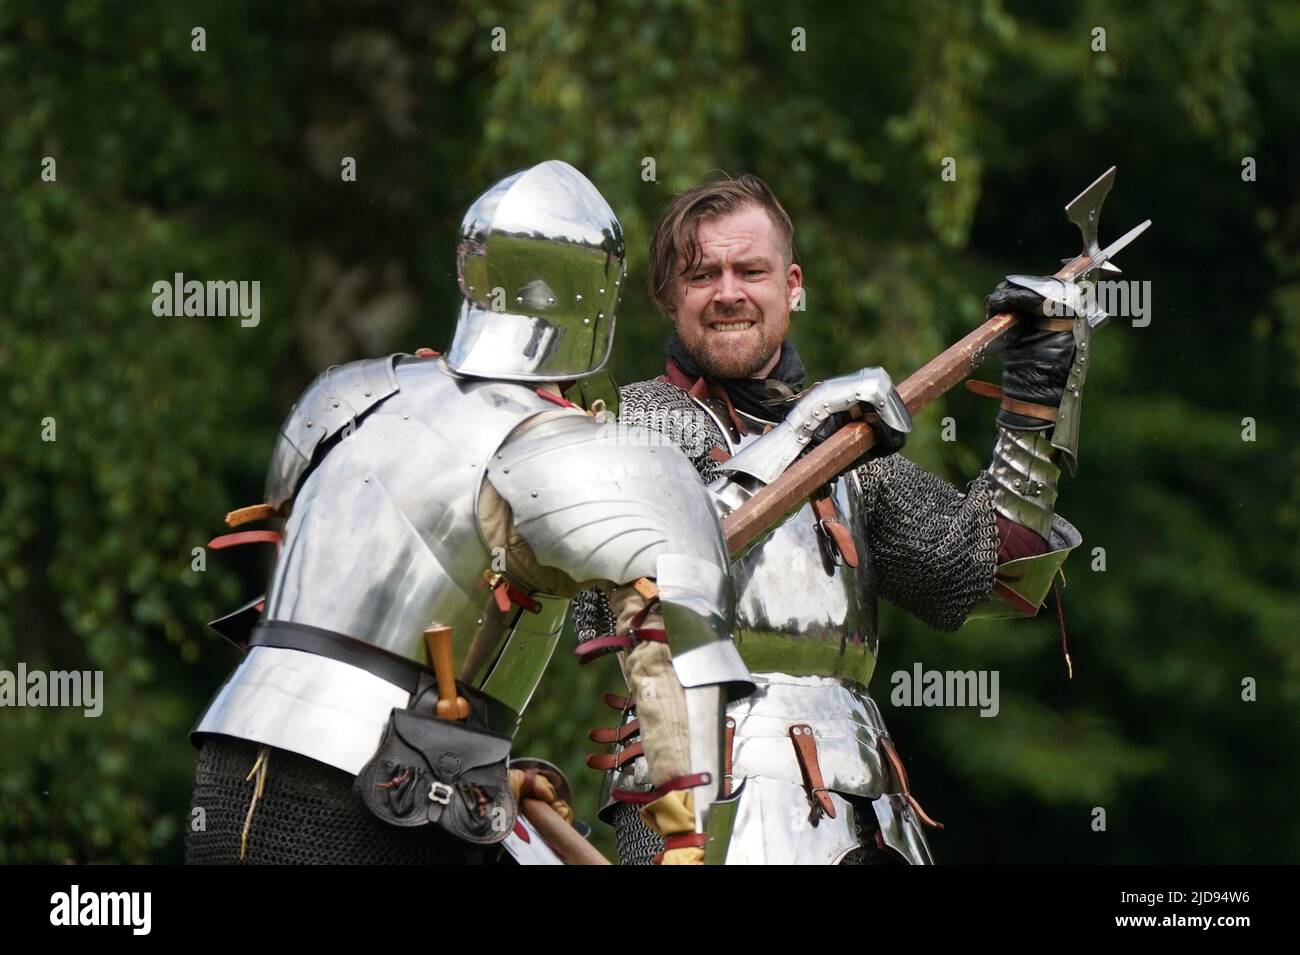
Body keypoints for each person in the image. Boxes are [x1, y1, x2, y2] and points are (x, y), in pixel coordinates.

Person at [185, 160, 755, 864]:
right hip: (371, 797)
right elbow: (668, 651)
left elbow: (321, 601)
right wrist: (686, 837)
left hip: (237, 753)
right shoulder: (562, 445)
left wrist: (471, 762)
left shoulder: (355, 396)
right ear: (597, 301)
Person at [579, 173, 1083, 864]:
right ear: (671, 297)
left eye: (749, 270)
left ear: (791, 285)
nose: (728, 291)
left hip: (860, 801)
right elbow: (652, 586)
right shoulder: (626, 428)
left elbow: (993, 571)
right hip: (689, 793)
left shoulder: (853, 451)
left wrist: (1035, 398)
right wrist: (802, 432)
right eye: (703, 275)